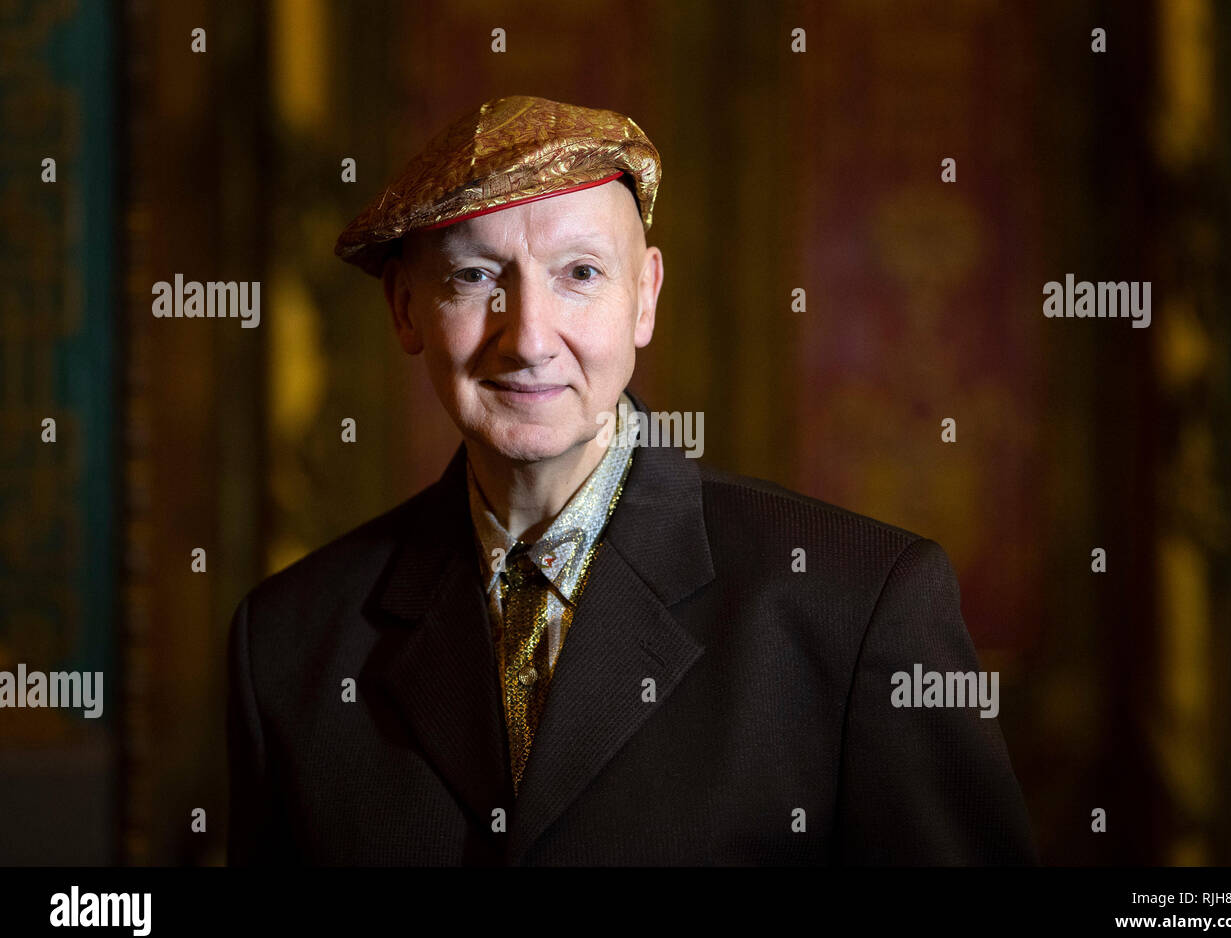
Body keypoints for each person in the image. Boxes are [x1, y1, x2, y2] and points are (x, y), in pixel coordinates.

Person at [226, 94, 1037, 865]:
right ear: (405, 309)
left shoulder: (858, 605)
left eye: (579, 273)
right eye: (476, 277)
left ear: (643, 298)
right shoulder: (289, 643)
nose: (530, 339)